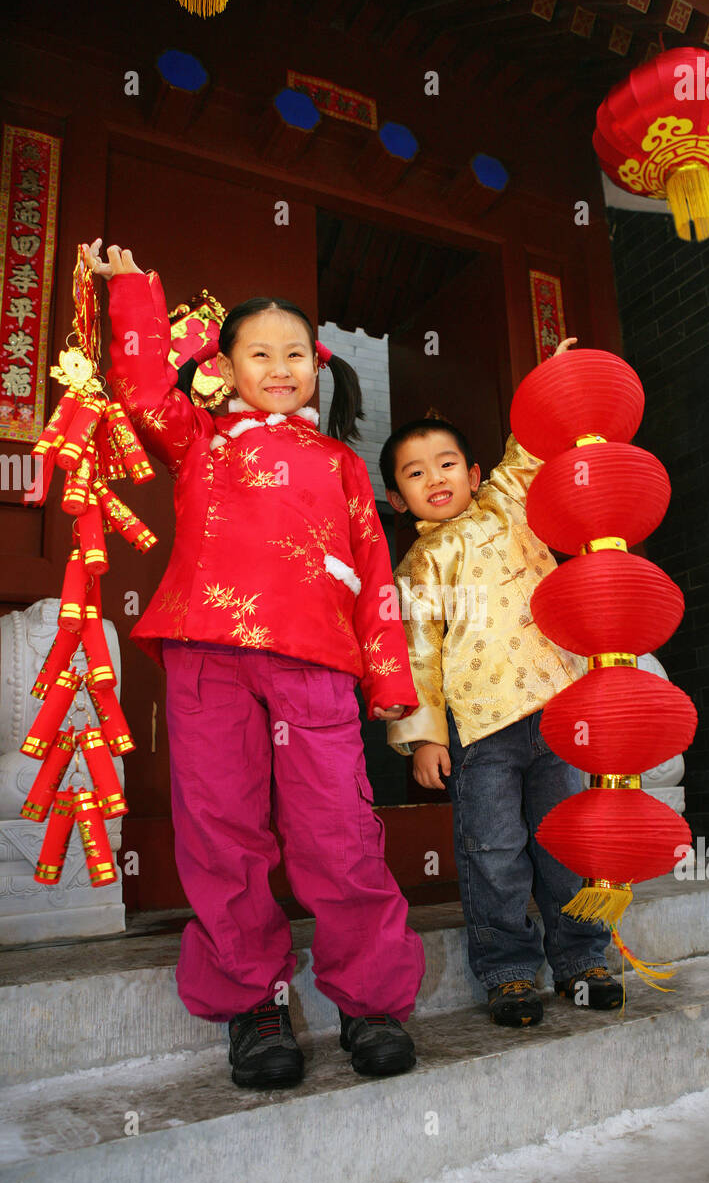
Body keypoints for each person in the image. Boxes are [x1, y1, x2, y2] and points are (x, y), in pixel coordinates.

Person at [85, 239, 425, 1087]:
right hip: (207, 657)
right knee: (221, 832)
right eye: (258, 353)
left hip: (315, 666)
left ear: (320, 367)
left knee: (338, 833)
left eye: (296, 355)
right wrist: (128, 291)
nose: (279, 367)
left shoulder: (344, 464)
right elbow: (137, 388)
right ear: (225, 365)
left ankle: (370, 1000)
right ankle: (252, 1005)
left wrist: (389, 679)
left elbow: (376, 578)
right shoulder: (196, 438)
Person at [379, 339, 623, 1027]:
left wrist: (551, 378)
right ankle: (510, 970)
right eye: (416, 474)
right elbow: (416, 656)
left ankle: (581, 958)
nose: (436, 479)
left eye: (448, 464)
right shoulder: (417, 568)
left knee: (562, 840)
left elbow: (532, 450)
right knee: (493, 850)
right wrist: (423, 739)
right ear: (398, 498)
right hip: (481, 728)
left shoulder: (510, 505)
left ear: (476, 471)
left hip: (559, 709)